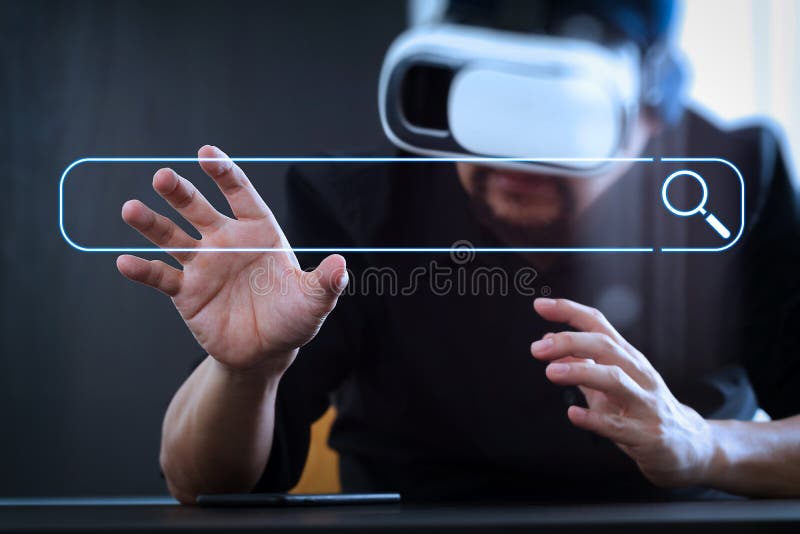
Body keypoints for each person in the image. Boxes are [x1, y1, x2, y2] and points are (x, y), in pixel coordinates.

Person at [116, 0, 800, 504]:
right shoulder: (363, 203)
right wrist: (246, 374)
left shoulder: (732, 182)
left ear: (650, 114)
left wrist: (707, 445)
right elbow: (197, 483)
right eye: (489, 103)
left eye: (561, 112)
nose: (516, 154)